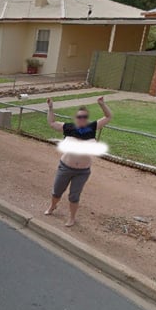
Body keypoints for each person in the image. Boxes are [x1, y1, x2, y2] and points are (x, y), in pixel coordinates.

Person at [44, 97, 112, 226]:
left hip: (82, 171)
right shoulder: (69, 127)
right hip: (65, 167)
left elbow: (108, 117)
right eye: (79, 117)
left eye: (84, 117)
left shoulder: (92, 127)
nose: (82, 119)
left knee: (74, 196)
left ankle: (72, 218)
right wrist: (51, 108)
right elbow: (52, 123)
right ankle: (52, 206)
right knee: (57, 191)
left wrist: (102, 104)